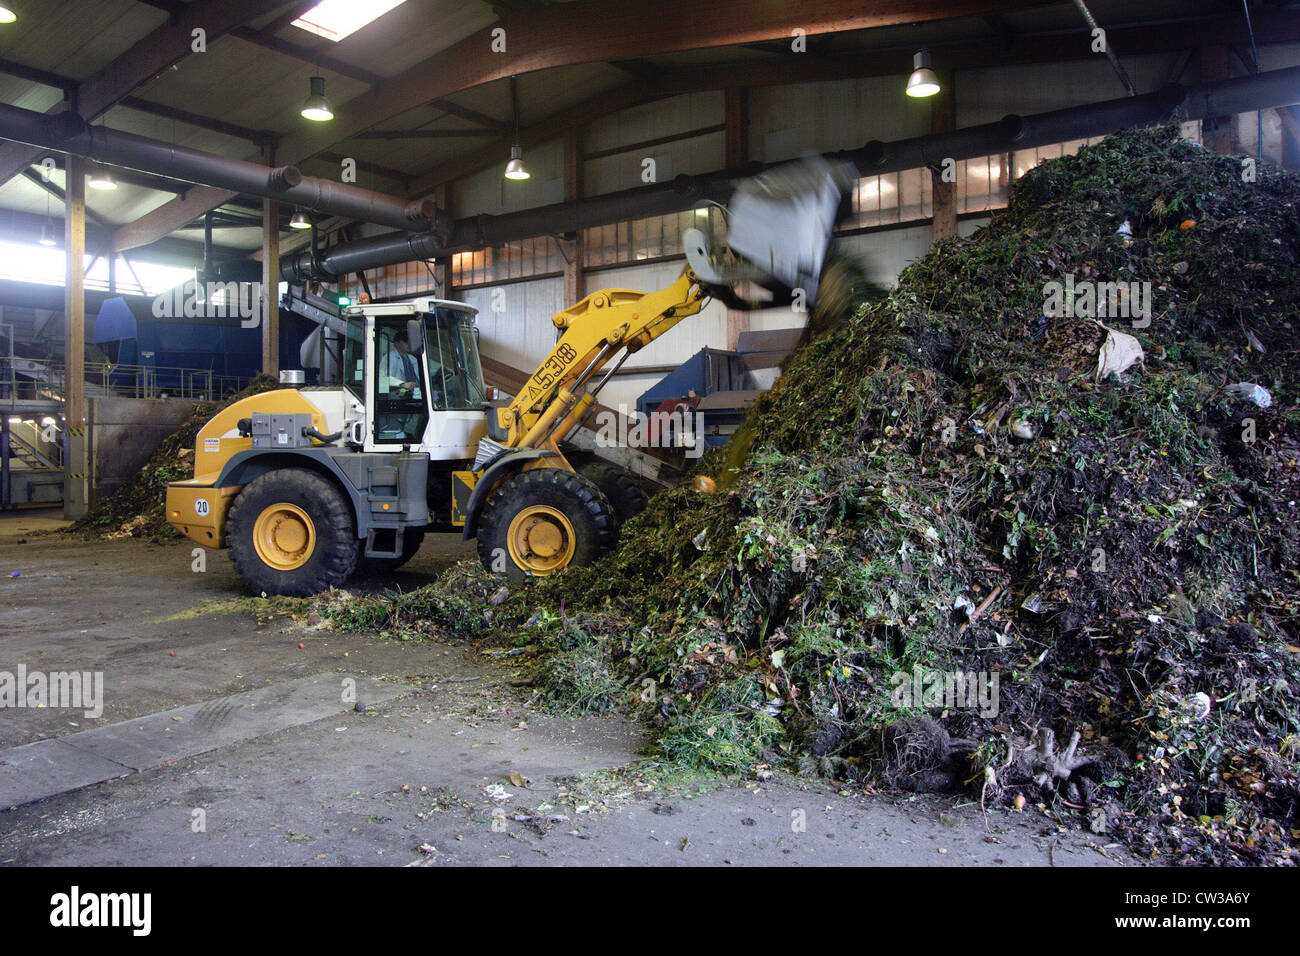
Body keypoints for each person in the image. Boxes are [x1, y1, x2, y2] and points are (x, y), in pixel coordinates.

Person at [384, 331, 421, 396]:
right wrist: (402, 384)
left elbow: (419, 374)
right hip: (399, 394)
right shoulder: (390, 357)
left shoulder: (412, 358)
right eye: (406, 342)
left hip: (415, 393)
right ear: (397, 343)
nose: (409, 344)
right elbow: (384, 378)